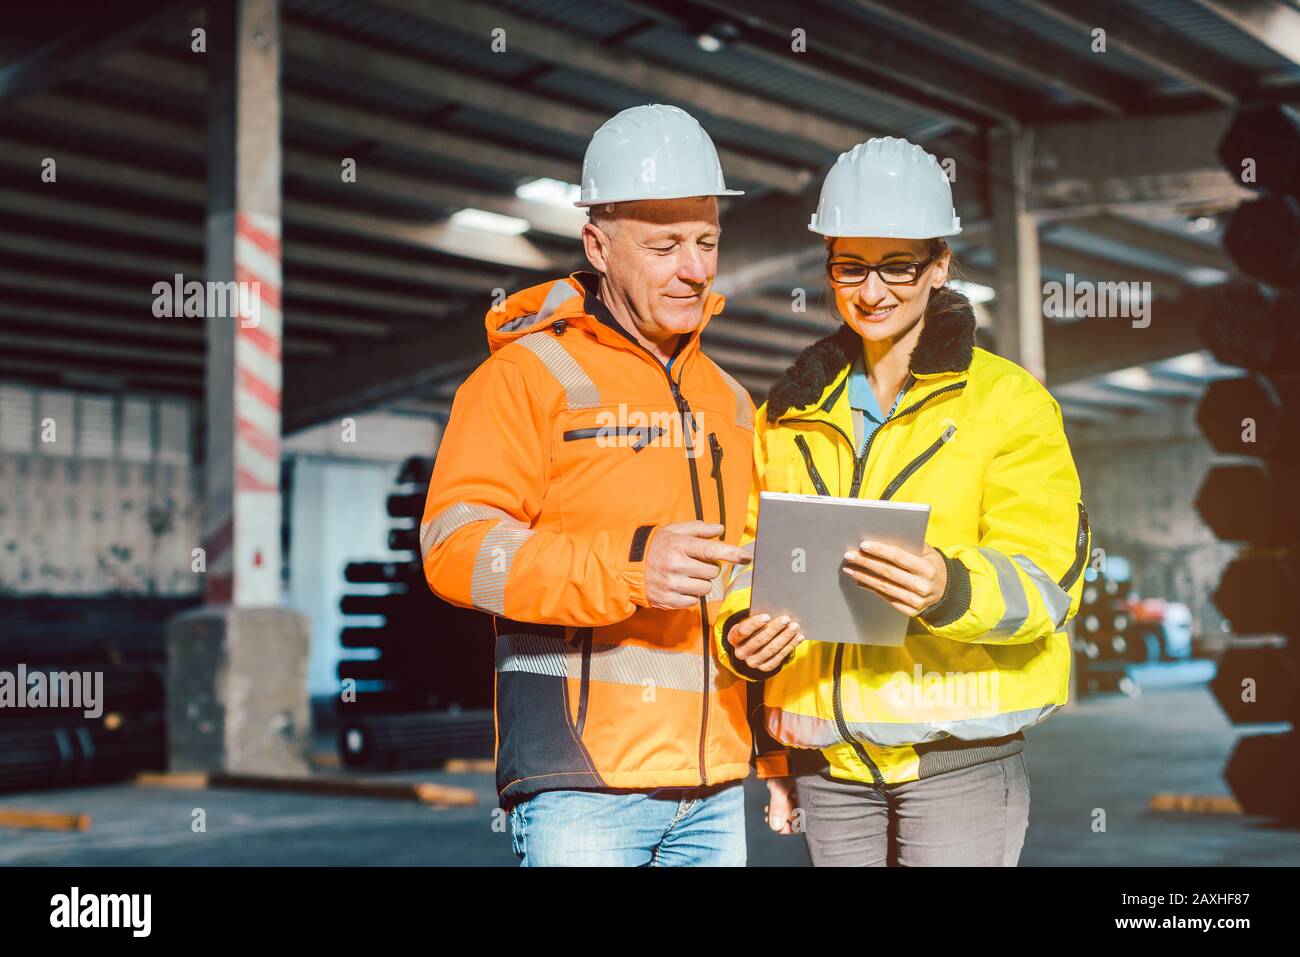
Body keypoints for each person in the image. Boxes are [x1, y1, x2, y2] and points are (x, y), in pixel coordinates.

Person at [420, 104, 790, 867]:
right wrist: (626, 567)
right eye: (664, 246)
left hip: (716, 782)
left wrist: (775, 748)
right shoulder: (526, 377)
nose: (694, 269)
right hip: (580, 785)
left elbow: (746, 579)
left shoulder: (729, 400)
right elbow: (453, 546)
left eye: (706, 242)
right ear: (598, 243)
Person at [714, 137, 1091, 866]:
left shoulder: (1008, 404)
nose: (872, 290)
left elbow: (1049, 579)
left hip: (959, 761)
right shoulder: (786, 415)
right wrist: (740, 632)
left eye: (899, 266)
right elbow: (745, 558)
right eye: (850, 266)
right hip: (828, 765)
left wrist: (951, 585)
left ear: (940, 267)